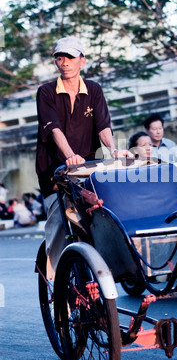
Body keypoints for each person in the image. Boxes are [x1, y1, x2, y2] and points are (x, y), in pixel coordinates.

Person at [36, 36, 131, 279]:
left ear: (82, 60)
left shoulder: (94, 90)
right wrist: (69, 155)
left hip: (88, 167)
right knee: (58, 222)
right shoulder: (46, 92)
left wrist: (113, 149)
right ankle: (57, 281)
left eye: (70, 57)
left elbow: (103, 126)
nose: (64, 62)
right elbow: (53, 128)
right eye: (60, 57)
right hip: (54, 168)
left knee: (101, 214)